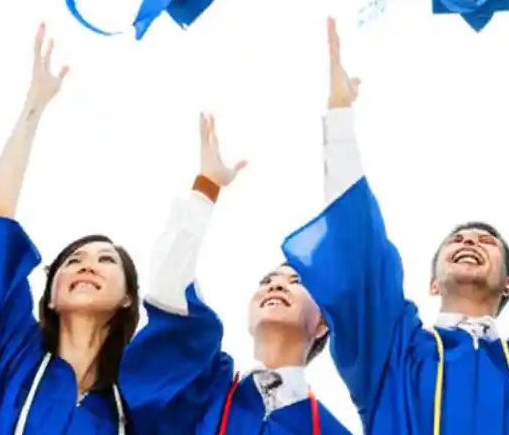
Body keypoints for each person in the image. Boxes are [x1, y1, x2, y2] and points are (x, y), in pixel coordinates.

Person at [279, 17, 509, 435]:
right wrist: (339, 119)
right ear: (432, 283)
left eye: (486, 241)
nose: (469, 241)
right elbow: (360, 253)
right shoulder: (394, 351)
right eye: (458, 240)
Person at [0, 24, 141, 433]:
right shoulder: (13, 349)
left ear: (127, 298)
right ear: (50, 294)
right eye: (73, 261)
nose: (87, 266)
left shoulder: (133, 403)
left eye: (106, 260)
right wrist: (34, 105)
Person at [119, 112, 353, 434]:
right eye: (267, 281)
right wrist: (206, 189)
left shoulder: (329, 430)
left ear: (324, 323)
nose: (276, 286)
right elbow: (170, 294)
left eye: (296, 282)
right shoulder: (205, 388)